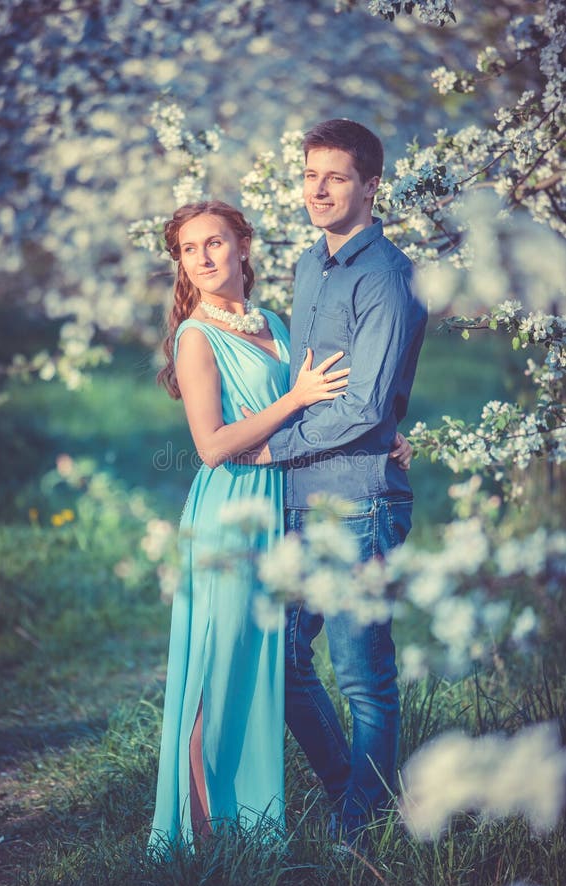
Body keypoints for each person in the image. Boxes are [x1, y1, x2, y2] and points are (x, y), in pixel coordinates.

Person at [148, 199, 412, 849]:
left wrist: (379, 436)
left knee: (271, 661)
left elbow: (323, 409)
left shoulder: (268, 319)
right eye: (189, 249)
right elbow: (211, 445)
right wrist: (293, 397)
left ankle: (328, 804)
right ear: (180, 263)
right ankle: (200, 834)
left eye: (215, 242)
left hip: (289, 497)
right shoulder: (195, 337)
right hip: (232, 511)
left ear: (243, 246)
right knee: (222, 654)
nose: (204, 257)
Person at [252, 119, 428, 846]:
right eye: (309, 175)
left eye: (335, 177)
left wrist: (274, 445)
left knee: (362, 677)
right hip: (298, 495)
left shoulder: (387, 275)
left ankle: (360, 830)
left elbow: (361, 404)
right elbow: (309, 381)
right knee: (283, 661)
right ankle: (352, 797)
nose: (317, 190)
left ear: (369, 186)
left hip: (355, 499)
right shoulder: (305, 264)